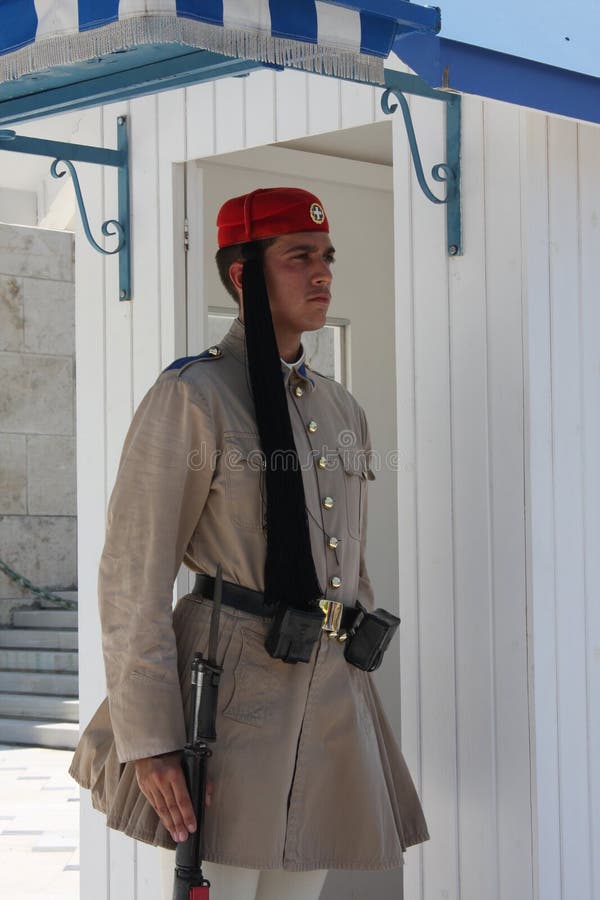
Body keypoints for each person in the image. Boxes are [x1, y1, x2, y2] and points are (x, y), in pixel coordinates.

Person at [69, 187, 428, 900]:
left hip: (329, 692)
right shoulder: (194, 396)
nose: (323, 273)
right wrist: (151, 739)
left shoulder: (338, 406)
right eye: (299, 257)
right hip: (230, 699)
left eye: (326, 257)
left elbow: (346, 563)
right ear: (243, 274)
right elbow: (132, 576)